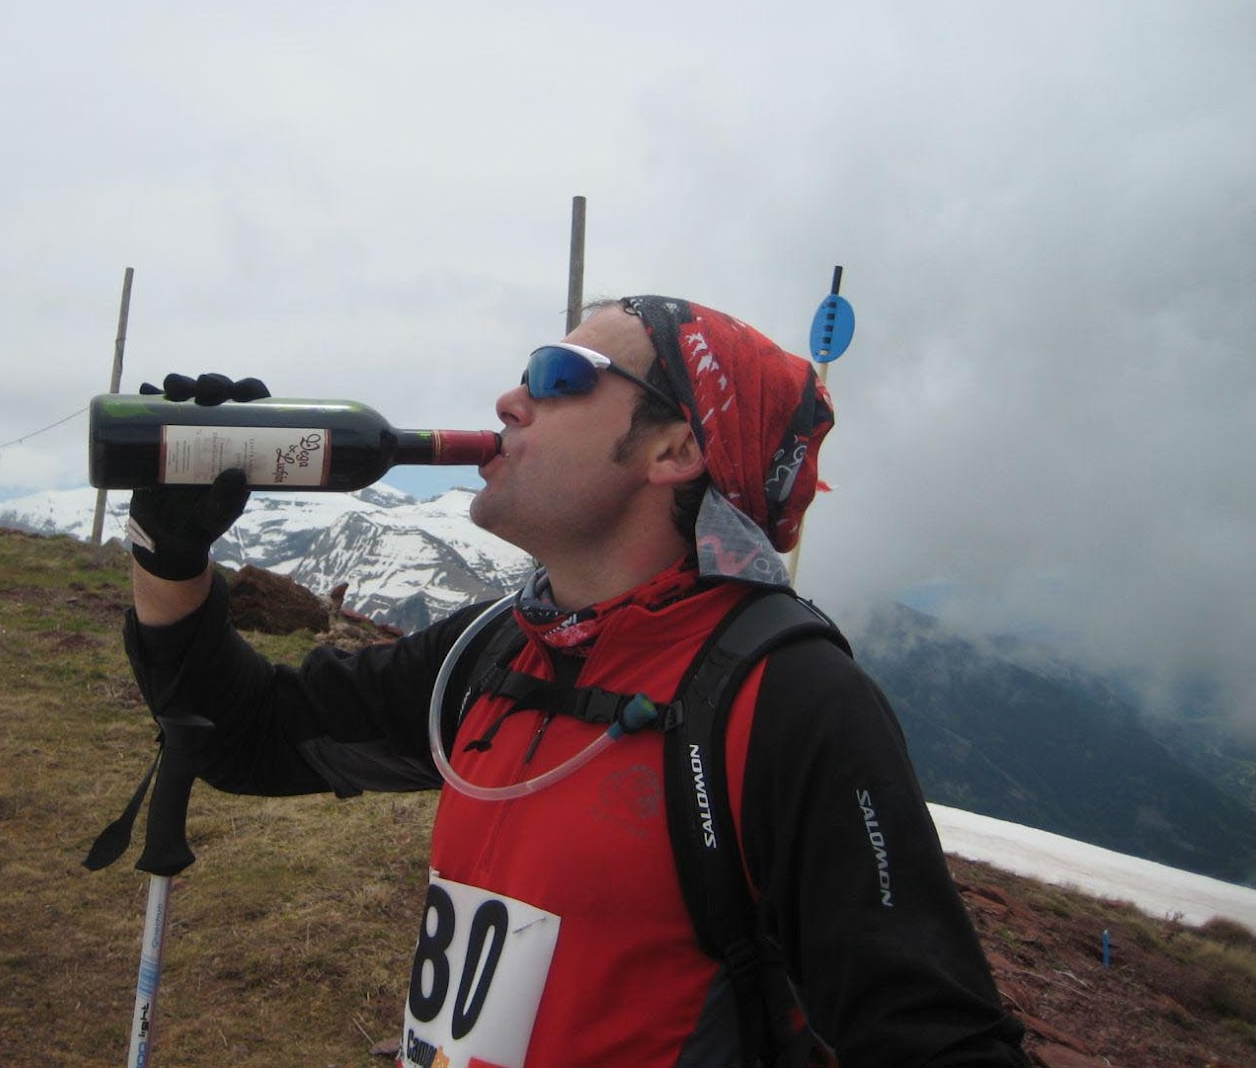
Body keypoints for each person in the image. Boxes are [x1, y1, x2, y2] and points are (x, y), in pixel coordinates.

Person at [122, 295, 1029, 1067]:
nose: (510, 399)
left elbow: (934, 1039)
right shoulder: (500, 649)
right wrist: (171, 551)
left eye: (560, 375)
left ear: (673, 449)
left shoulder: (787, 699)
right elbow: (244, 738)